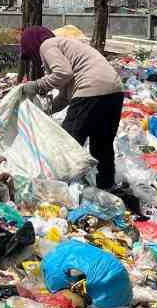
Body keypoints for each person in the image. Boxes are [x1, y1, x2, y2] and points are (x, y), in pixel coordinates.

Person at [18, 26, 125, 190]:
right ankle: (106, 187)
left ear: (32, 44)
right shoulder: (67, 47)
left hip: (90, 89)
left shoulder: (47, 46)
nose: (32, 58)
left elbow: (63, 73)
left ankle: (58, 189)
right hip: (114, 91)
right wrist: (45, 111)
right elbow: (66, 96)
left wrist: (36, 85)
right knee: (102, 144)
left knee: (68, 143)